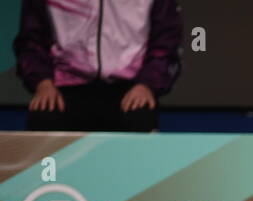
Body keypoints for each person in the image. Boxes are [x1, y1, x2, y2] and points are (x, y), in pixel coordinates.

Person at [14, 0, 183, 133]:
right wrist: (42, 82)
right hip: (63, 87)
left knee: (140, 118)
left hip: (129, 88)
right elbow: (30, 40)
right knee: (44, 116)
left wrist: (147, 85)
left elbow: (166, 42)